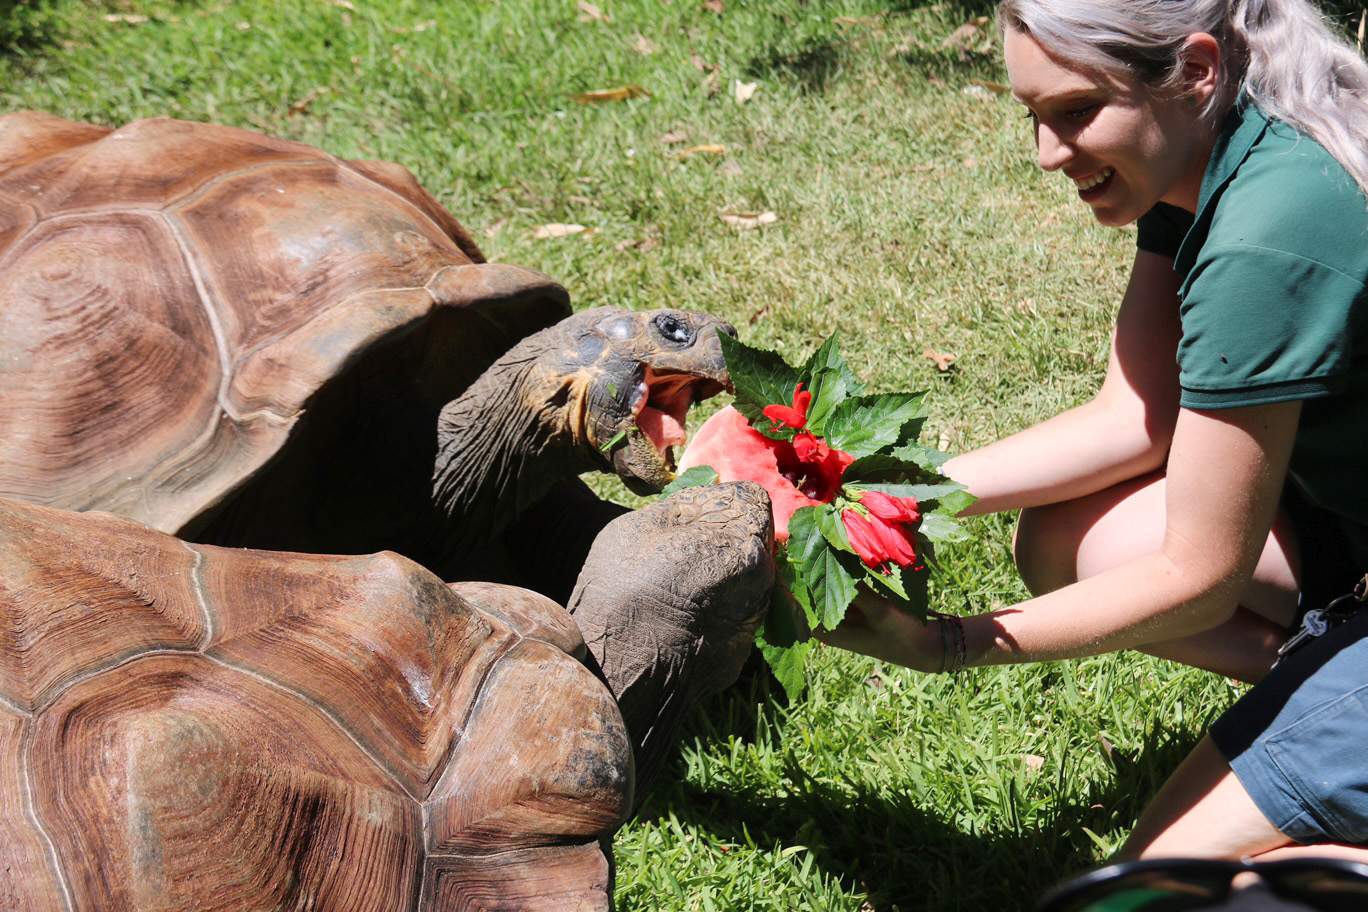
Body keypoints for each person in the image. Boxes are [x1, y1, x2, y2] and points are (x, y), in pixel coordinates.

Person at [820, 0, 1368, 865]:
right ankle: (1326, 684)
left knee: (1147, 889)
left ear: (1194, 70)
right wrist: (873, 487)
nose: (1047, 155)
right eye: (1034, 118)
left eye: (1076, 112)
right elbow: (1135, 419)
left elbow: (1199, 577)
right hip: (1349, 543)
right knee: (1067, 540)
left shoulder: (1266, 235)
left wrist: (946, 643)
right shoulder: (1202, 155)